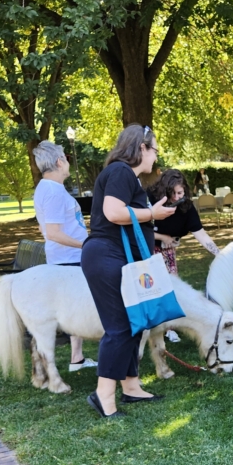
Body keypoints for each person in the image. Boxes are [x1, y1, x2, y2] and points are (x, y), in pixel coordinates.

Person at [80, 125, 176, 418]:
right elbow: (113, 212)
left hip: (114, 257)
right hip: (107, 256)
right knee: (120, 326)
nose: (156, 157)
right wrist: (152, 214)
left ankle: (131, 387)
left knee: (133, 323)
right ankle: (103, 395)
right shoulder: (121, 172)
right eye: (155, 150)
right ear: (141, 148)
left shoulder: (125, 176)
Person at [33, 141, 97, 373]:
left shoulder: (50, 188)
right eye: (66, 158)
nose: (68, 162)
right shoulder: (52, 191)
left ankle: (76, 359)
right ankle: (74, 359)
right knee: (76, 309)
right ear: (59, 162)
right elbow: (52, 232)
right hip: (68, 259)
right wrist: (86, 244)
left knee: (75, 308)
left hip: (69, 257)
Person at [145, 168, 220, 275]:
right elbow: (137, 229)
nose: (176, 198)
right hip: (145, 249)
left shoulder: (187, 206)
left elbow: (202, 235)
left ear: (185, 189)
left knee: (172, 282)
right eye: (171, 193)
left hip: (168, 250)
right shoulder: (150, 198)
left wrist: (219, 255)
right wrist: (162, 237)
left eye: (179, 193)